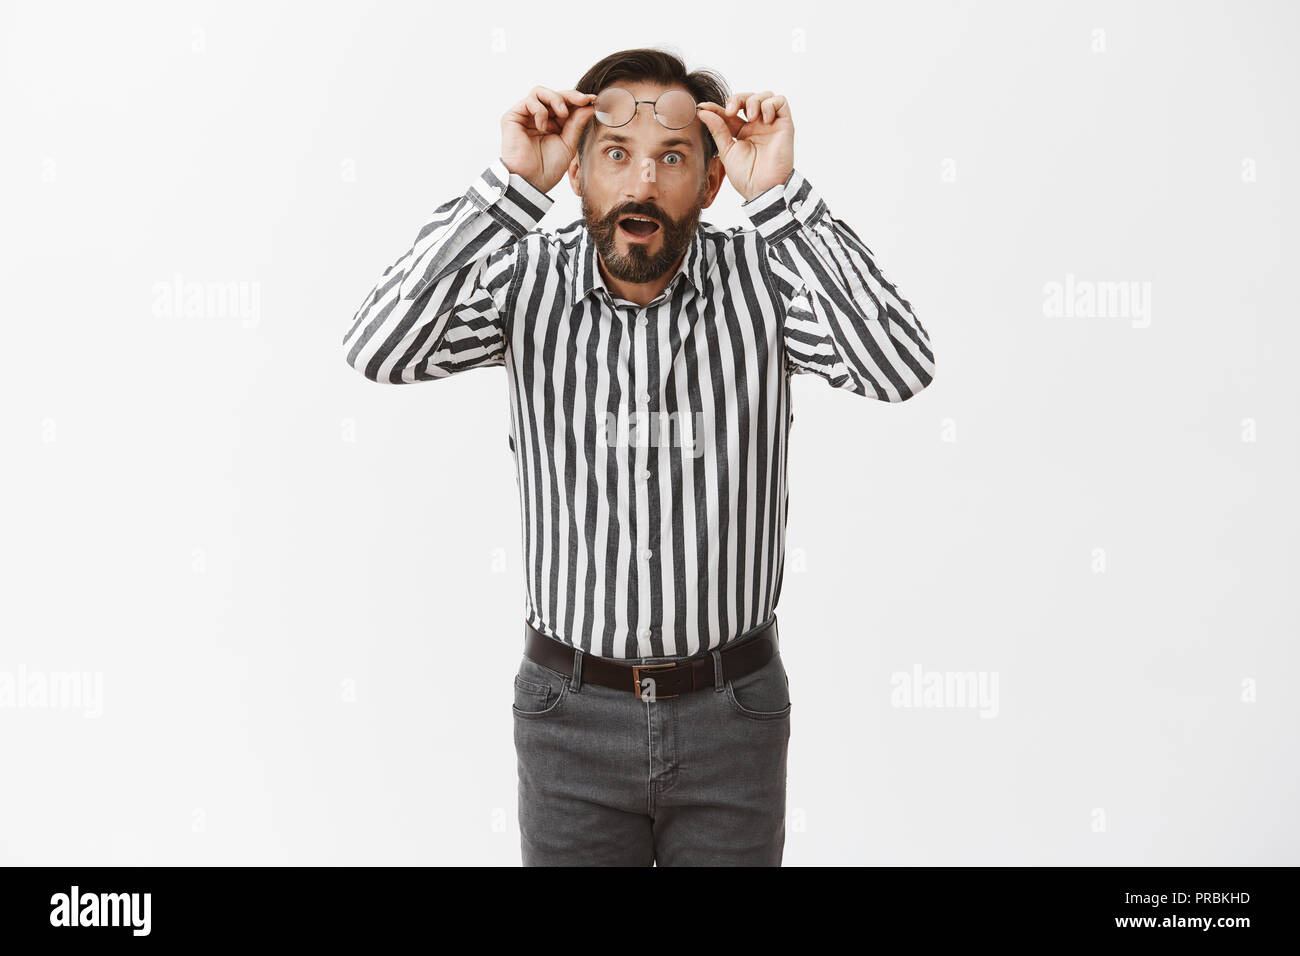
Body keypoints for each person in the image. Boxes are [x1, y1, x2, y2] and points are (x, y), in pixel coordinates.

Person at [341, 47, 935, 865]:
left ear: (712, 181)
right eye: (616, 156)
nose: (643, 184)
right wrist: (510, 190)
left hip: (734, 712)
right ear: (579, 175)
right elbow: (378, 348)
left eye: (673, 158)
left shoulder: (765, 277)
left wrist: (782, 199)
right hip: (568, 714)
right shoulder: (525, 281)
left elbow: (899, 366)